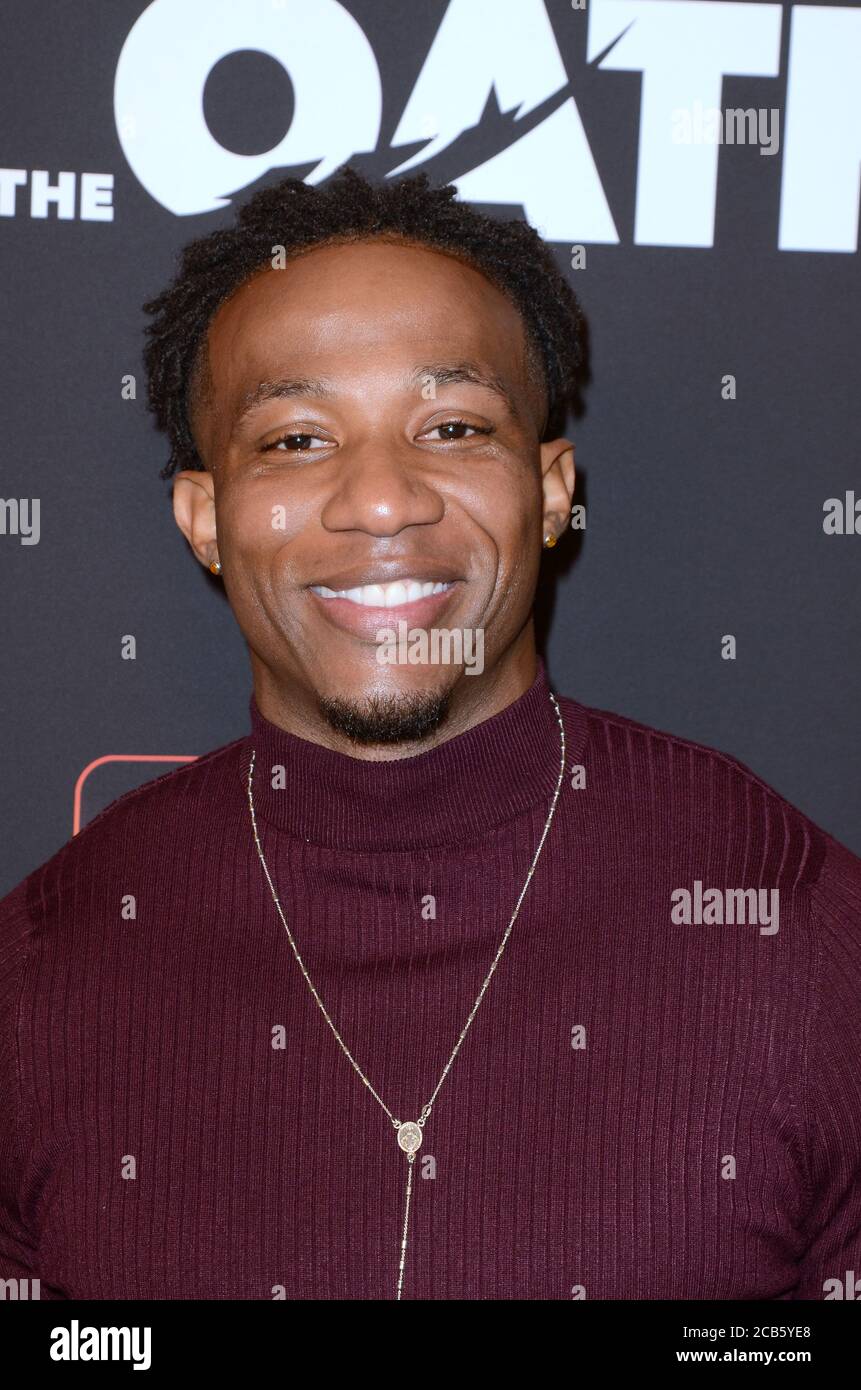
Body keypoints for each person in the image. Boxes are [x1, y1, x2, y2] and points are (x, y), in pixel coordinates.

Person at [1, 169, 858, 1301]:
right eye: (297, 440)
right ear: (204, 519)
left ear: (550, 492)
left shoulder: (792, 923)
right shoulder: (49, 967)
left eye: (451, 426)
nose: (382, 499)